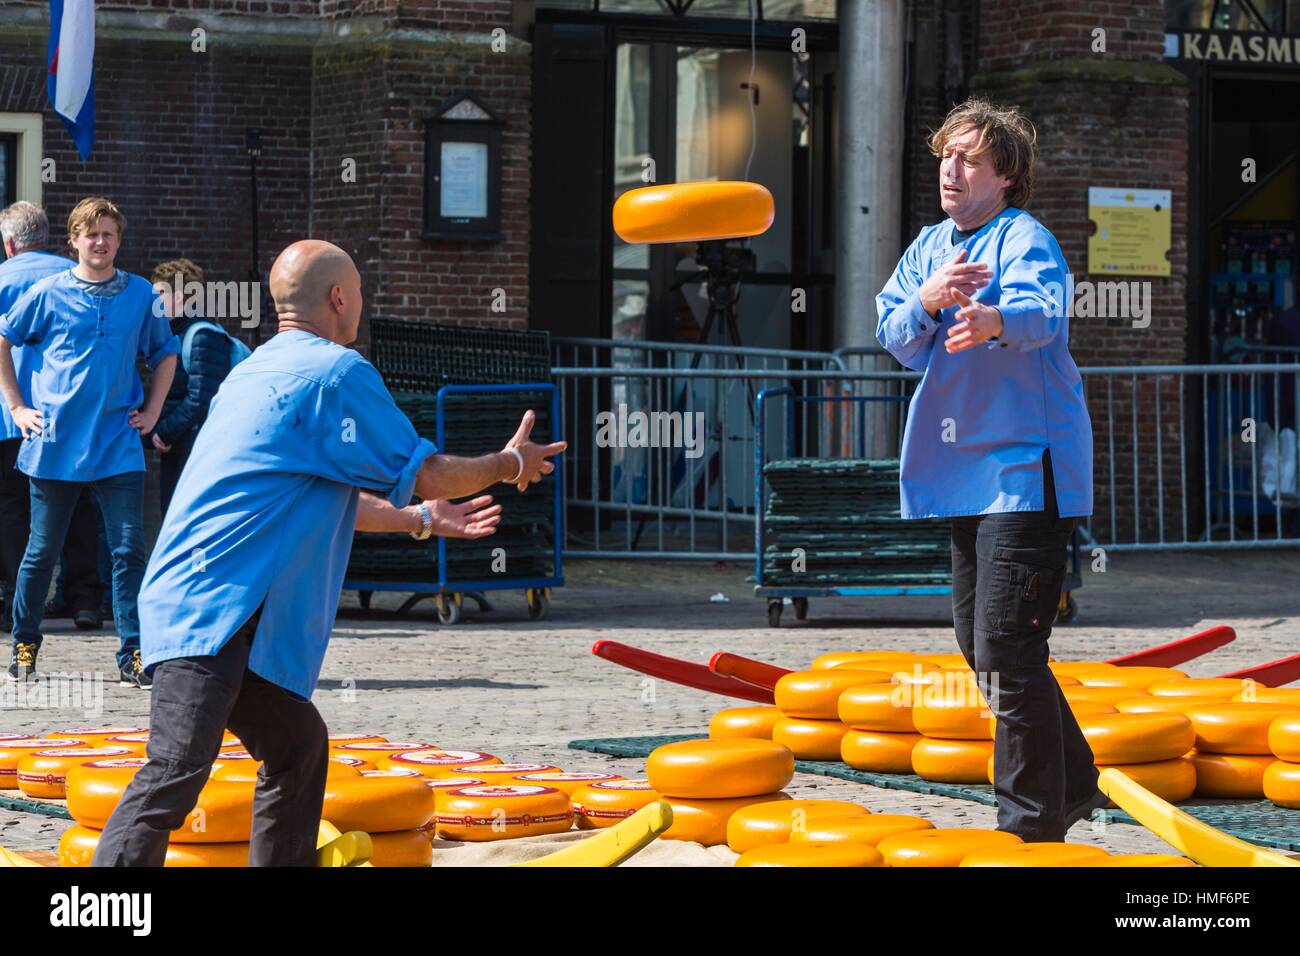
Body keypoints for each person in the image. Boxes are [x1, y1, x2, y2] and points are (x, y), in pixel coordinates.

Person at [92, 239, 564, 866]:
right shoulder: (336, 374)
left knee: (297, 745)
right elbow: (431, 471)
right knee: (175, 770)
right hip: (212, 609)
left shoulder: (253, 371)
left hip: (211, 605)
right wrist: (510, 463)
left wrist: (420, 520)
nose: (362, 305)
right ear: (339, 298)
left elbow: (324, 496)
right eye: (361, 293)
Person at [875, 98, 1104, 842]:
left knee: (1008, 646)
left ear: (1003, 174)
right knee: (983, 648)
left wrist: (998, 320)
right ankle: (1077, 782)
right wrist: (927, 300)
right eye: (945, 154)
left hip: (1025, 472)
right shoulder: (930, 245)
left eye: (968, 157)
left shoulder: (1025, 237)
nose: (950, 168)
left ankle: (1029, 828)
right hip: (961, 473)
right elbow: (895, 336)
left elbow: (1048, 313)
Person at [0, 197, 178, 687]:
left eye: (108, 234)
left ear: (119, 241)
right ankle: (25, 643)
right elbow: (3, 339)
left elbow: (165, 354)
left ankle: (134, 654)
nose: (100, 242)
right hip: (54, 442)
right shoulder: (47, 291)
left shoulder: (140, 294)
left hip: (118, 443)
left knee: (129, 551)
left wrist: (156, 410)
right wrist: (17, 406)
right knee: (41, 551)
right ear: (74, 239)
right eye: (90, 233)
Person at [147, 258, 236, 519]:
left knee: (189, 521)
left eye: (160, 293)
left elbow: (202, 398)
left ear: (182, 296)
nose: (154, 300)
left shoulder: (202, 335)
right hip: (181, 446)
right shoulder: (174, 336)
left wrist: (163, 432)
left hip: (197, 449)